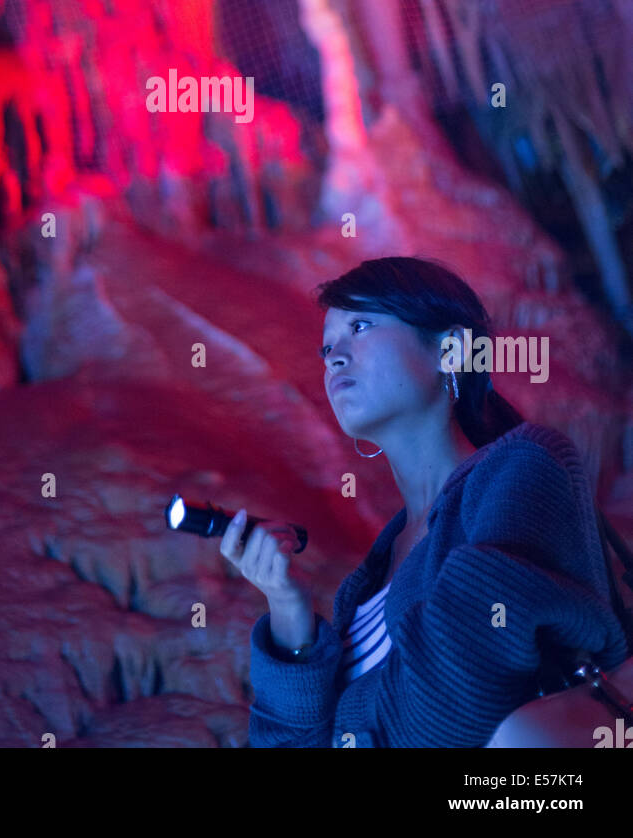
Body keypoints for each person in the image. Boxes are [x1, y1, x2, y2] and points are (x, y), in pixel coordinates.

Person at [220, 256, 630, 748]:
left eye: (361, 326)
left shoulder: (524, 466)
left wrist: (342, 732)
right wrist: (289, 612)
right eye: (327, 346)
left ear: (451, 350)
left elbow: (454, 700)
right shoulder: (366, 581)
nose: (334, 357)